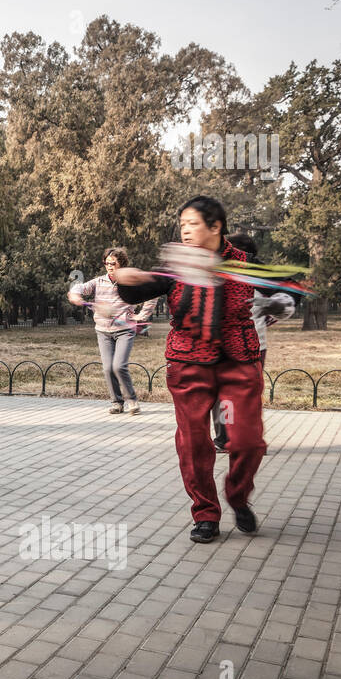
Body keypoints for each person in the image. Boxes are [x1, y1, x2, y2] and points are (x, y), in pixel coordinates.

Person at [113, 196, 266, 544]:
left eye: (192, 223)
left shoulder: (245, 263)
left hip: (238, 361)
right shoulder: (175, 267)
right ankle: (205, 513)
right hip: (189, 363)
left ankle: (238, 496)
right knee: (194, 443)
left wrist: (284, 299)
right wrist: (124, 276)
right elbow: (132, 291)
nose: (184, 229)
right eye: (182, 223)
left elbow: (284, 289)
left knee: (247, 440)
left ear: (215, 227)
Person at [210, 232, 295, 453]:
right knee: (221, 394)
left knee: (244, 395)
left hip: (251, 347)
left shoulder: (259, 278)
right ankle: (224, 439)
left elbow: (284, 303)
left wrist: (271, 310)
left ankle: (248, 439)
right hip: (222, 345)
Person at [69, 247, 157, 415]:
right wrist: (75, 295)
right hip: (103, 331)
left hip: (125, 330)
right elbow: (79, 288)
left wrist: (142, 316)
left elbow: (152, 293)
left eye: (113, 263)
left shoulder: (130, 281)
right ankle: (117, 402)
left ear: (121, 264)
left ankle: (132, 400)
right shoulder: (98, 282)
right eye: (107, 263)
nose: (109, 266)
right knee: (108, 368)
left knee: (119, 366)